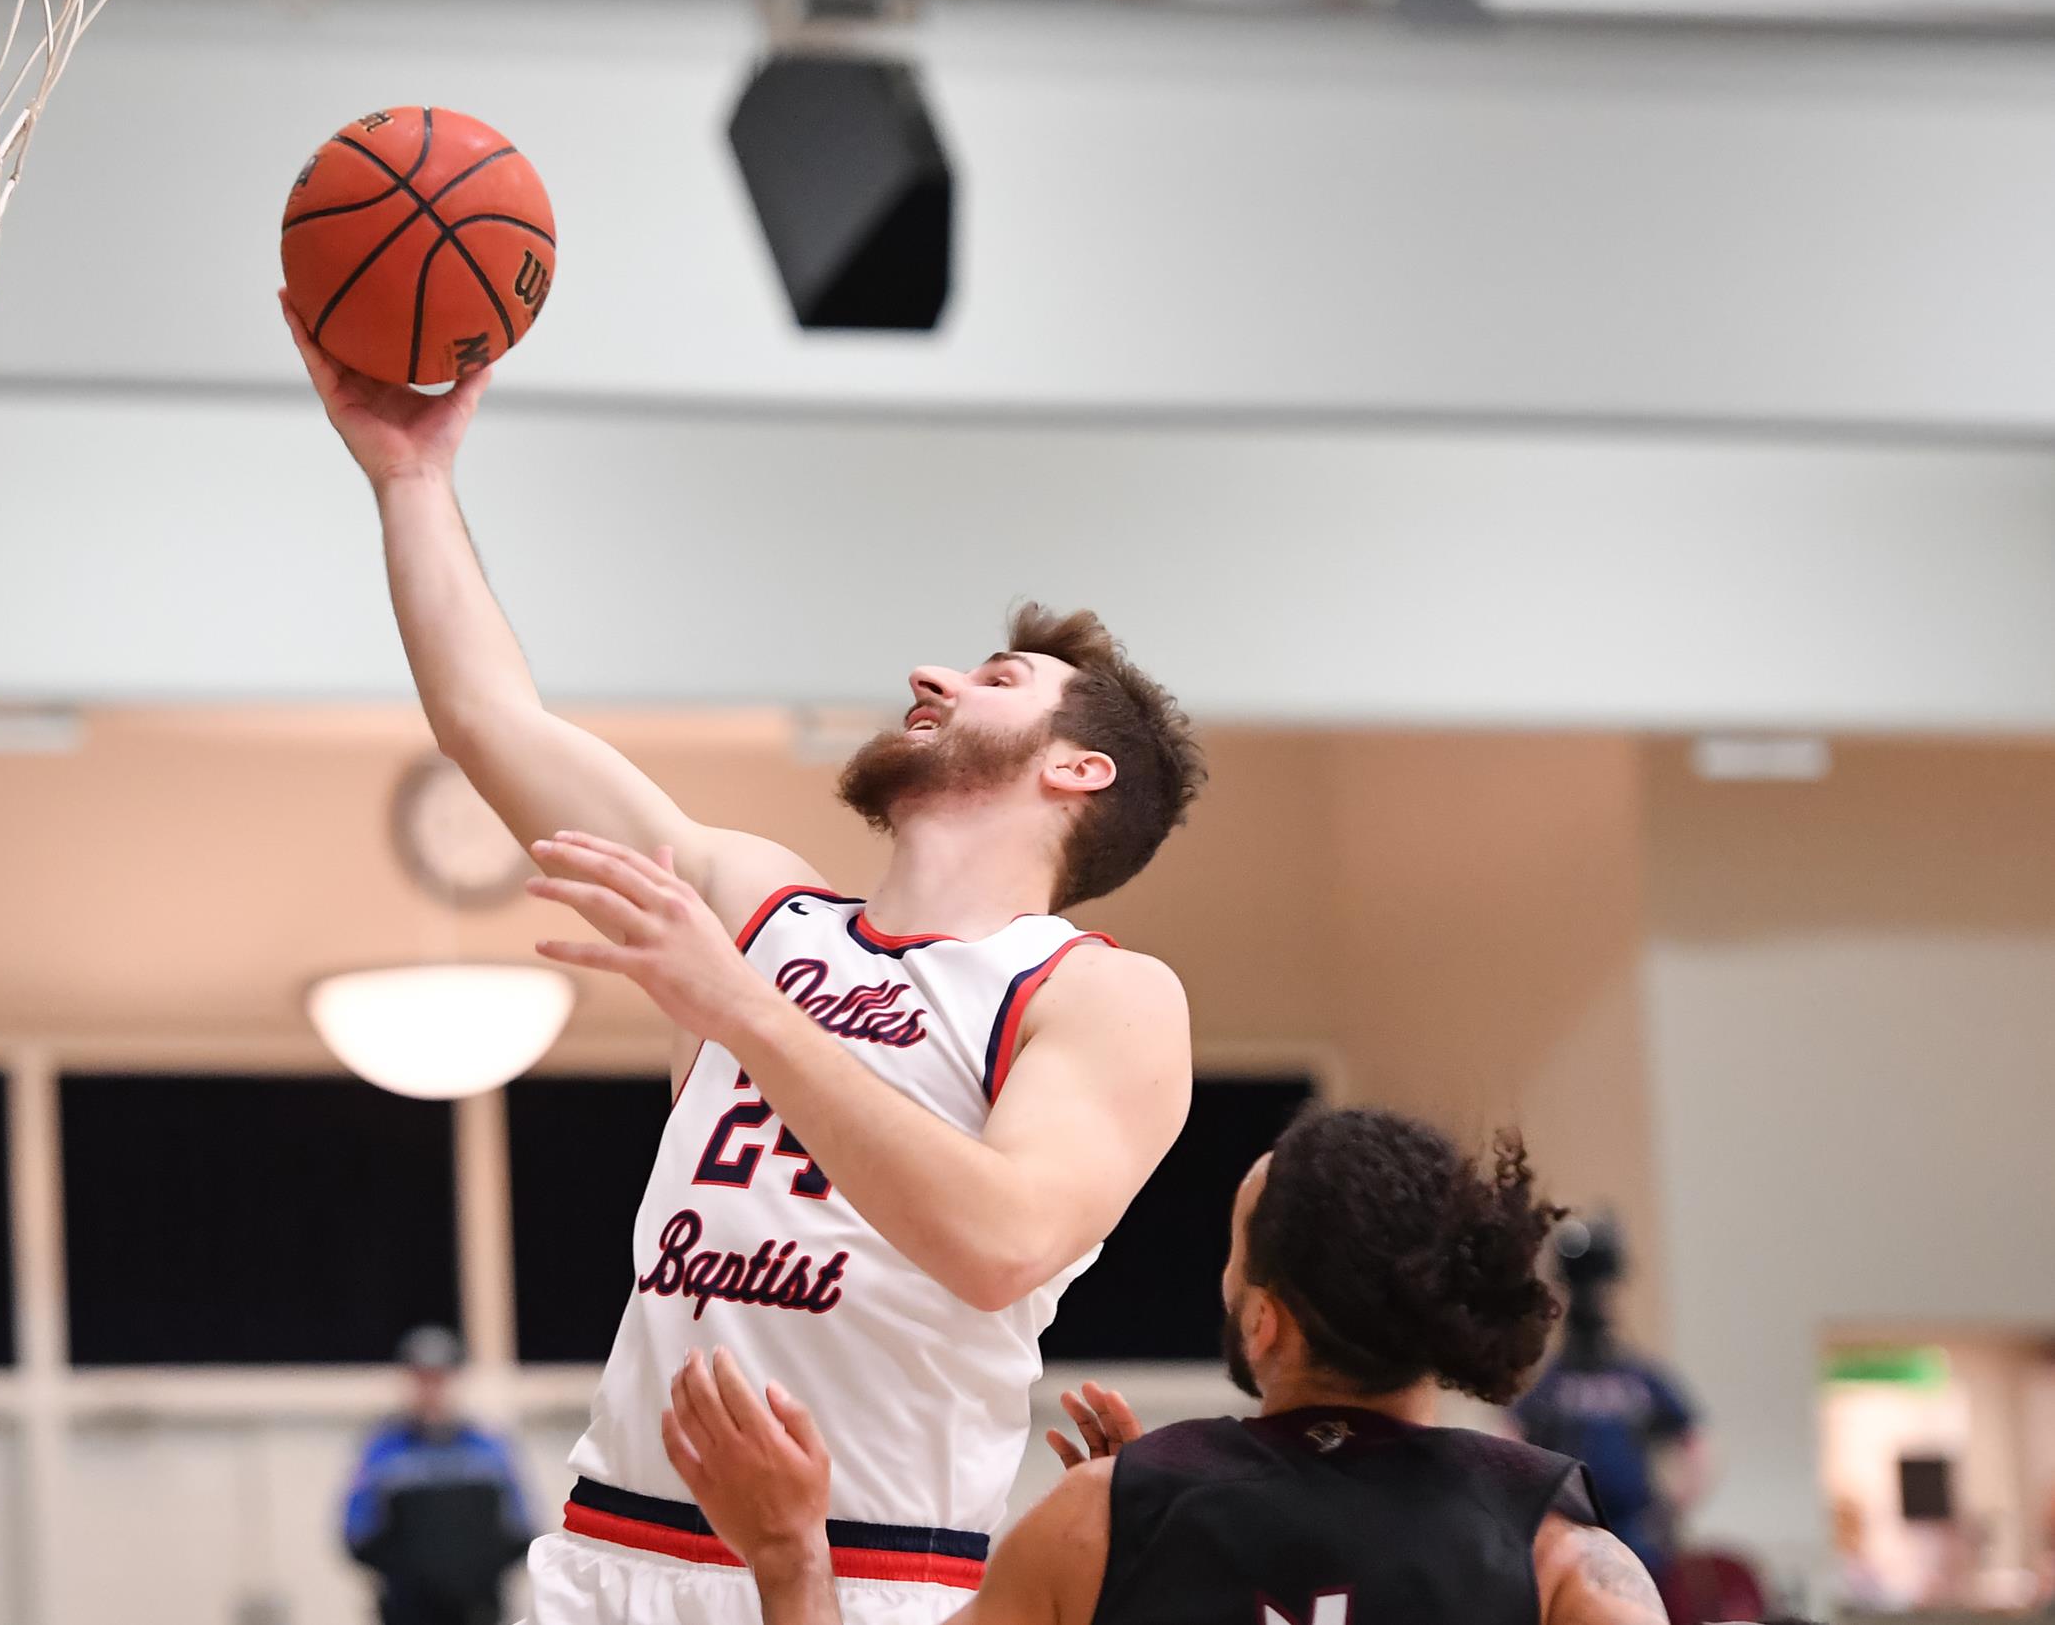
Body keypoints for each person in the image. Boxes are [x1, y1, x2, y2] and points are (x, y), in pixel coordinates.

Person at [283, 304, 1206, 1625]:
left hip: (867, 1574)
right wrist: (412, 478)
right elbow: (490, 718)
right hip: (608, 1556)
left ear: (1079, 769)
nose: (931, 674)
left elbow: (998, 1242)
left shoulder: (1098, 990)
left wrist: (742, 1012)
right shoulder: (757, 901)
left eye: (997, 676)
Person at [660, 1107, 1673, 1625]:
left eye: (1232, 1253)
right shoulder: (1557, 1543)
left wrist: (788, 1554)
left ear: (1264, 1322)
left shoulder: (1100, 1519)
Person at [1511, 1217, 1711, 1593]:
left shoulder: (1640, 1375)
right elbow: (1511, 1439)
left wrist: (1672, 1510)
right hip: (1569, 1538)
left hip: (1638, 1539)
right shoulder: (1551, 1381)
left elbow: (1696, 1441)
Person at [343, 1326, 536, 1625]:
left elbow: (521, 1527)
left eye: (440, 1378)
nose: (432, 1390)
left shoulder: (488, 1449)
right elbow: (356, 1532)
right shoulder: (384, 1451)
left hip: (477, 1611)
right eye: (422, 1379)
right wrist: (408, 1576)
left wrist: (477, 1576)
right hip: (406, 1612)